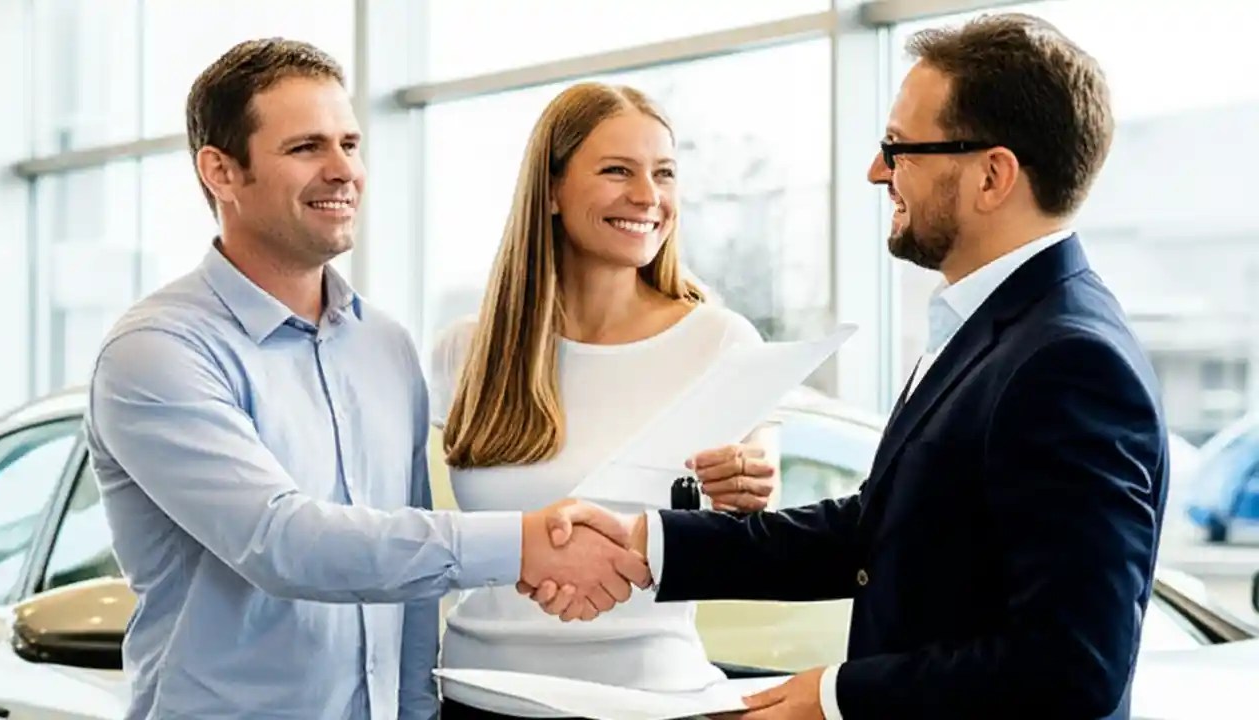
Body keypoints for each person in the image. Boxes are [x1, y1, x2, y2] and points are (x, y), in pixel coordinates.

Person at [535, 13, 1169, 720]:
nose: (877, 171)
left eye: (898, 149)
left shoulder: (1069, 362)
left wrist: (835, 696)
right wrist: (649, 542)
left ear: (992, 176)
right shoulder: (999, 329)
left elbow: (1071, 670)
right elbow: (882, 528)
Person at [84, 39, 647, 720]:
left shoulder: (383, 345)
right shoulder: (157, 351)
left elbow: (408, 585)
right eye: (306, 148)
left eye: (350, 143)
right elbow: (282, 542)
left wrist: (417, 710)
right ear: (221, 172)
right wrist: (525, 544)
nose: (342, 170)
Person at [428, 82, 781, 718]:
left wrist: (751, 485)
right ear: (553, 190)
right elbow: (417, 543)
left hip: (652, 700)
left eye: (664, 173)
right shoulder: (464, 351)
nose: (648, 196)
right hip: (479, 694)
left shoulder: (720, 340)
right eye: (618, 170)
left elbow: (751, 502)